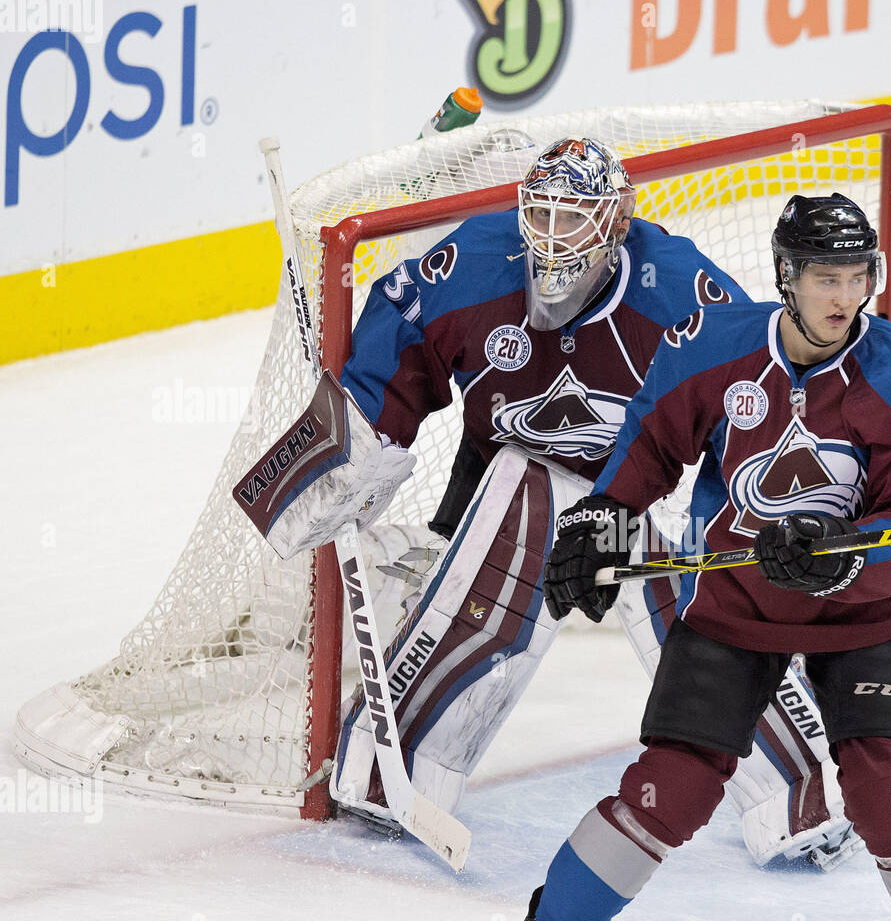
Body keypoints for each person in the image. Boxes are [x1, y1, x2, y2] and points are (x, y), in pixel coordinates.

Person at [490, 192, 891, 921]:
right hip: (738, 599)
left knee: (889, 790)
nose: (844, 296)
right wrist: (606, 518)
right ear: (786, 275)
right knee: (673, 785)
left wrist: (847, 553)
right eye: (827, 276)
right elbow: (651, 442)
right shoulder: (713, 347)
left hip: (868, 611)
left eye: (859, 276)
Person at [271, 134, 859, 869]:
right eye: (541, 215)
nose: (552, 238)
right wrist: (355, 442)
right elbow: (403, 331)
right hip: (511, 465)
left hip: (635, 486)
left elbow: (749, 395)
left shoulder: (676, 289)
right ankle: (391, 770)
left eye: (574, 218)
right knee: (494, 578)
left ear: (616, 224)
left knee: (706, 615)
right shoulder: (479, 263)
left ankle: (801, 796)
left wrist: (763, 514)